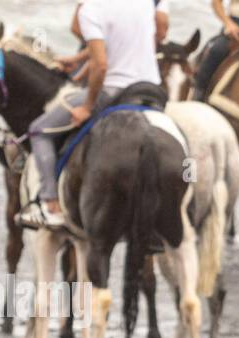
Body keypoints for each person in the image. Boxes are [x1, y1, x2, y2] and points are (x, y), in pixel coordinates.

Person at [18, 0, 164, 230]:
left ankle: (50, 205)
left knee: (39, 131)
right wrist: (78, 60)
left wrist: (87, 106)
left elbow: (102, 65)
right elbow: (127, 41)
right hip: (153, 91)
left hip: (115, 91)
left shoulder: (91, 9)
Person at [195, 0, 239, 100]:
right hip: (236, 25)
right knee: (217, 50)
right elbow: (216, 2)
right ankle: (199, 92)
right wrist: (228, 23)